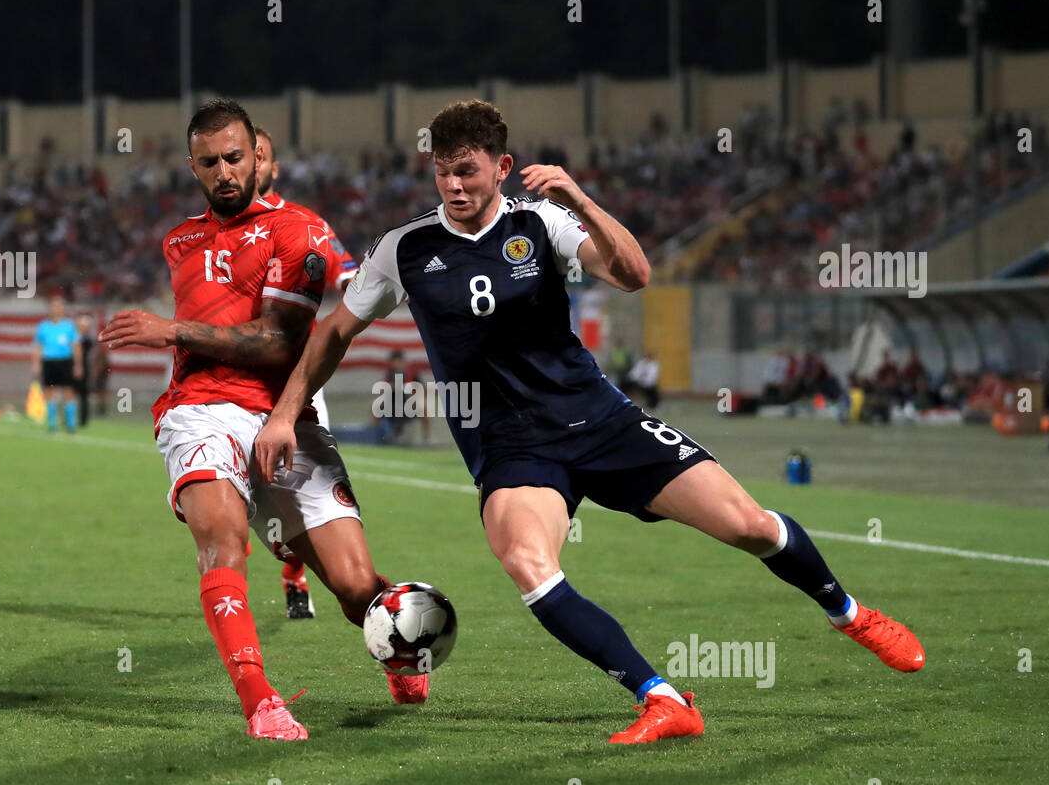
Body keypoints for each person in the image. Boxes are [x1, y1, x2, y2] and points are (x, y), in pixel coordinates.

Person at [256, 99, 925, 745]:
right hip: (511, 448)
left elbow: (635, 273)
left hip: (602, 420)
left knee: (750, 525)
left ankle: (850, 614)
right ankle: (662, 699)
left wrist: (577, 199)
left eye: (468, 170)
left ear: (501, 165)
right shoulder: (406, 249)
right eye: (442, 170)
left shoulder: (541, 222)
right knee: (527, 562)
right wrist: (286, 413)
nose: (454, 184)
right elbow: (334, 332)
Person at [99, 99, 426, 742]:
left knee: (357, 587)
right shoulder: (180, 240)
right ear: (193, 168)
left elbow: (280, 344)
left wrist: (171, 330)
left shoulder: (299, 231)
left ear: (258, 158)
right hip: (198, 412)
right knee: (223, 541)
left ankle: (399, 644)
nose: (223, 171)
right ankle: (261, 700)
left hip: (283, 415)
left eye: (234, 157)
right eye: (208, 162)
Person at [254, 125, 360, 619]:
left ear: (272, 168)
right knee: (239, 511)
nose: (246, 165)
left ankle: (300, 578)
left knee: (309, 505)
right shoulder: (206, 234)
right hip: (228, 398)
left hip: (295, 392)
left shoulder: (304, 225)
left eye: (258, 157)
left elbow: (351, 277)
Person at [31, 296, 82, 433]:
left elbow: (76, 346)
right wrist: (36, 364)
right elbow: (38, 347)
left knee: (68, 391)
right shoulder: (43, 327)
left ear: (62, 309)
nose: (56, 309)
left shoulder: (69, 326)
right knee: (49, 392)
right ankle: (52, 424)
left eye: (59, 307)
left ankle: (71, 424)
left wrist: (78, 365)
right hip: (49, 362)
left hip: (65, 361)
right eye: (54, 307)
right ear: (50, 309)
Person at [74, 315, 96, 427]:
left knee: (83, 395)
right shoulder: (75, 337)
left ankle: (83, 419)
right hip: (73, 367)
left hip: (85, 368)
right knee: (71, 394)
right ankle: (71, 418)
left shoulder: (87, 339)